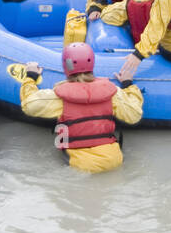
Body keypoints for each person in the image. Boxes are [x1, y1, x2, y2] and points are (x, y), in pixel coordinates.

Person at [18, 43, 144, 174]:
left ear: (66, 66)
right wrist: (128, 84)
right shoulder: (113, 92)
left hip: (80, 165)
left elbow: (29, 105)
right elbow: (134, 115)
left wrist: (31, 77)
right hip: (113, 160)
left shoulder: (58, 97)